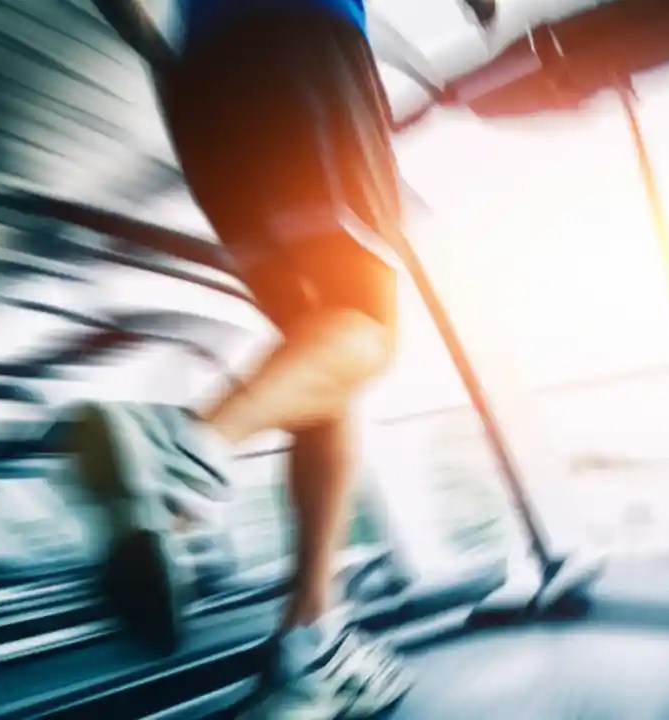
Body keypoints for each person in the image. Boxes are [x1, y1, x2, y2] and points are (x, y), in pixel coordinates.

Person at [66, 1, 494, 718]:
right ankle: (176, 456)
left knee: (319, 352)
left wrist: (165, 54)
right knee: (367, 327)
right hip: (302, 40)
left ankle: (312, 641)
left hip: (202, 86)